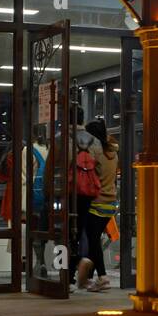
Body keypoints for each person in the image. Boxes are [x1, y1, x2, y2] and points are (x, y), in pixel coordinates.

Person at [76, 118, 119, 291]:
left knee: (92, 239)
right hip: (110, 202)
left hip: (97, 201)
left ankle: (101, 277)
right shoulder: (113, 152)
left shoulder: (96, 153)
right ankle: (92, 276)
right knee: (95, 239)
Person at [70, 105, 103, 278]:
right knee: (83, 229)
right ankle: (83, 264)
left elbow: (52, 170)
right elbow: (99, 169)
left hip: (68, 192)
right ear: (82, 119)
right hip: (88, 194)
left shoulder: (60, 139)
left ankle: (68, 276)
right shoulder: (95, 142)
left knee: (68, 233)